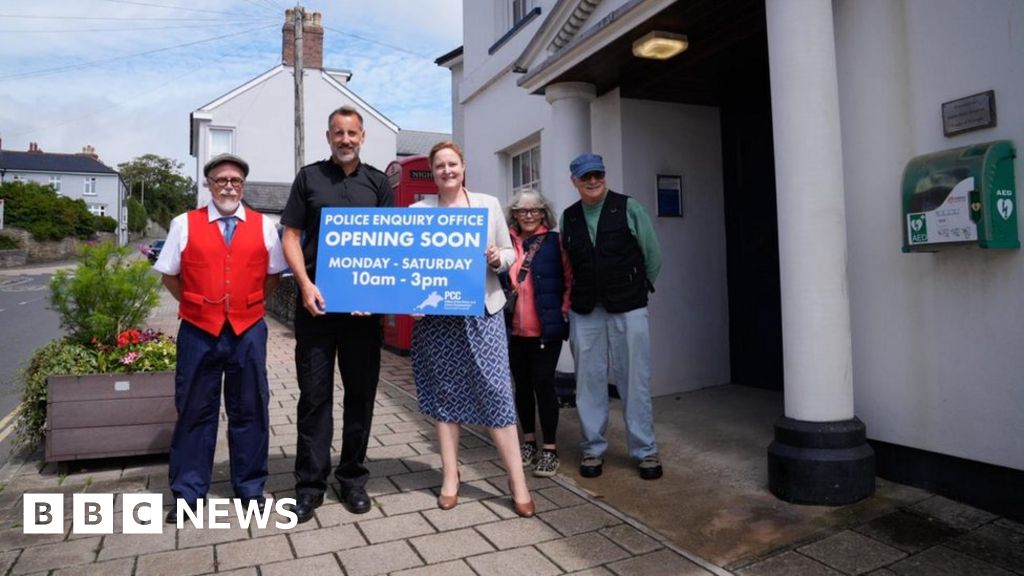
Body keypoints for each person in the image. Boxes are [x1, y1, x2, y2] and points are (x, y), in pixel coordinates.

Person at [154, 153, 286, 523]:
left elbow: (273, 275)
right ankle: (188, 494)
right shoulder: (184, 223)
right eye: (221, 180)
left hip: (248, 331)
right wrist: (197, 306)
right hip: (198, 332)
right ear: (209, 184)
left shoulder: (263, 225)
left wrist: (247, 305)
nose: (229, 186)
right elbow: (169, 274)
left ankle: (249, 489)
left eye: (235, 181)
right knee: (195, 411)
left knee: (251, 409)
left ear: (243, 186)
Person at [280, 106, 393, 521]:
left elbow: (389, 245)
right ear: (328, 137)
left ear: (362, 136)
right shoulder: (309, 178)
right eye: (338, 133)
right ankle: (310, 486)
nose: (345, 140)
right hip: (317, 309)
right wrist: (304, 283)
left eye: (352, 133)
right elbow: (290, 235)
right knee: (314, 399)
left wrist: (376, 291)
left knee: (360, 398)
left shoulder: (379, 183)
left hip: (364, 316)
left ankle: (353, 479)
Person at [411, 141, 535, 517]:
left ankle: (516, 480)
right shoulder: (419, 211)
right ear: (432, 173)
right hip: (438, 319)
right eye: (439, 166)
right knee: (445, 395)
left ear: (463, 167)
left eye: (452, 164)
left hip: (482, 313)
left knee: (497, 392)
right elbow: (409, 265)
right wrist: (411, 302)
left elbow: (511, 253)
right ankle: (451, 476)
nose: (446, 170)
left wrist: (499, 258)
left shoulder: (487, 204)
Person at [560, 153, 664, 480]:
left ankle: (645, 451)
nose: (593, 181)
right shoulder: (569, 217)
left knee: (635, 379)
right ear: (574, 181)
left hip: (628, 306)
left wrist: (640, 287)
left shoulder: (629, 207)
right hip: (585, 310)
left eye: (598, 175)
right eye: (586, 177)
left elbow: (653, 255)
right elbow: (567, 263)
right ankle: (593, 449)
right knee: (588, 382)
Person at [501, 189, 571, 477]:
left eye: (534, 210)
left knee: (544, 385)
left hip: (545, 329)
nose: (528, 215)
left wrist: (564, 309)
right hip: (514, 330)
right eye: (522, 210)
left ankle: (550, 448)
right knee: (522, 387)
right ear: (514, 214)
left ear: (544, 213)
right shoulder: (505, 243)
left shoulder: (556, 242)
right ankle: (528, 440)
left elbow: (569, 278)